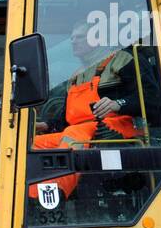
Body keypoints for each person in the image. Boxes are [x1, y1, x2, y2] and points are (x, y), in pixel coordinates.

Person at [29, 22, 151, 200]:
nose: (73, 41)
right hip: (82, 132)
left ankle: (53, 198)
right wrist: (45, 125)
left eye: (79, 37)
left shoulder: (123, 60)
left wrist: (119, 104)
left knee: (73, 133)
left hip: (118, 128)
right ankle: (31, 198)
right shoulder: (76, 75)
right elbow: (67, 117)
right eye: (71, 38)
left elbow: (152, 98)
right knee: (34, 143)